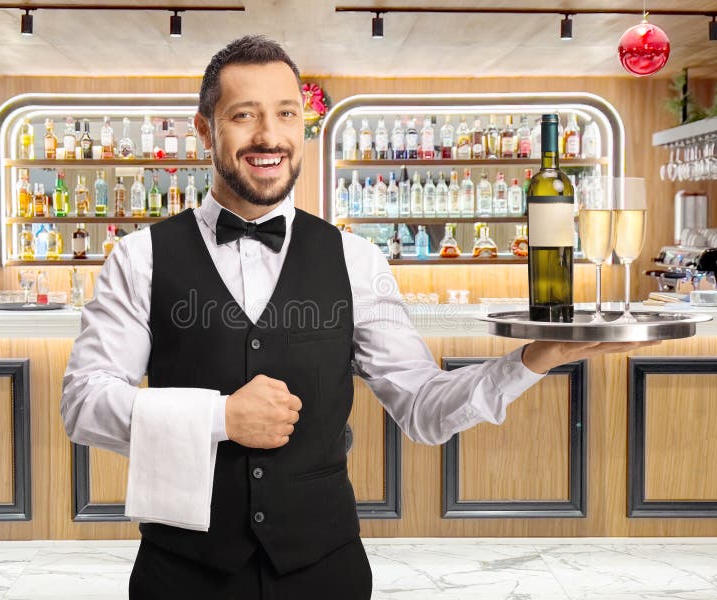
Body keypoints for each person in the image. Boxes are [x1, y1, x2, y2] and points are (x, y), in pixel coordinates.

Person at [61, 35, 655, 600]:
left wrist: (532, 360)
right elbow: (84, 403)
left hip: (324, 571)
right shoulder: (139, 257)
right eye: (244, 115)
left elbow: (422, 408)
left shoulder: (356, 259)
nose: (270, 135)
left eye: (287, 114)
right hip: (183, 574)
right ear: (204, 130)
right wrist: (220, 417)